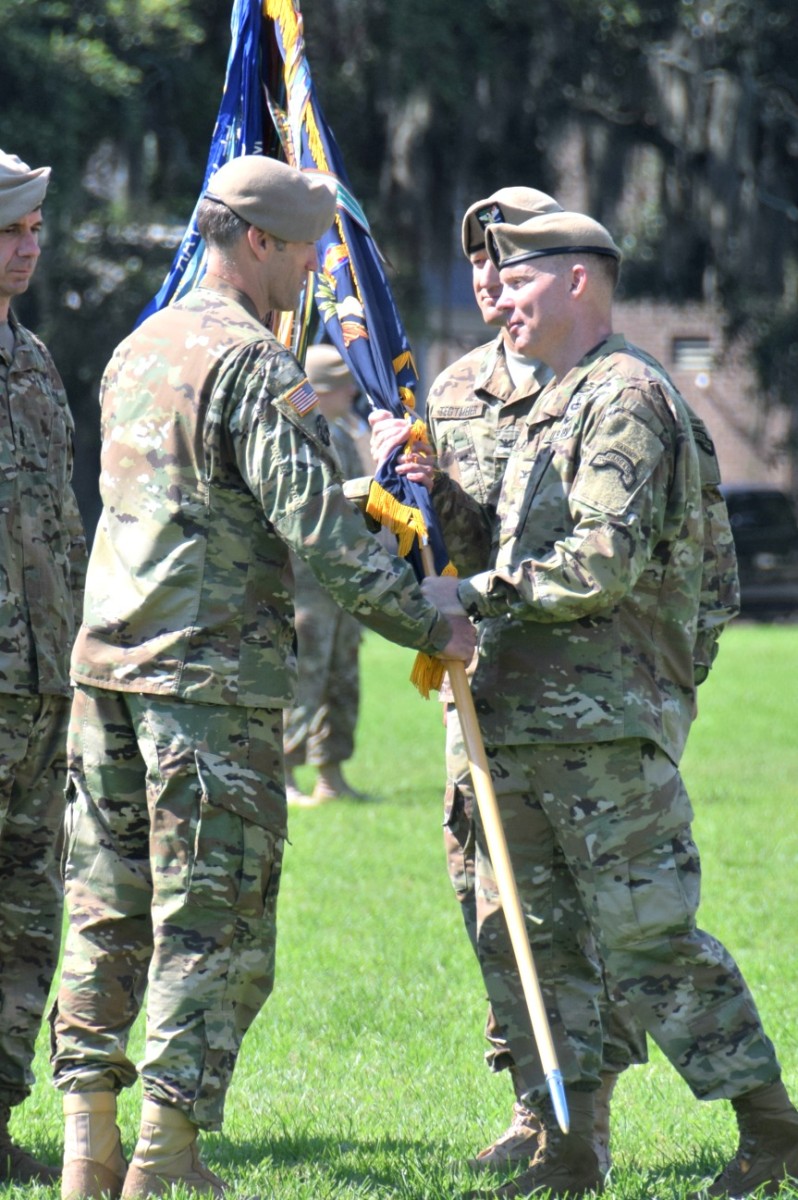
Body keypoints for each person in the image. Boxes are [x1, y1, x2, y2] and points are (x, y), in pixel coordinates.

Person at [49, 154, 474, 1200]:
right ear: (257, 244)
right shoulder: (254, 364)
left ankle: (86, 1150)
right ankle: (167, 1157)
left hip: (107, 674)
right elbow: (318, 537)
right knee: (215, 921)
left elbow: (202, 498)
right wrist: (433, 619)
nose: (317, 268)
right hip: (207, 685)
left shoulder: (136, 347)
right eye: (307, 249)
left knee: (106, 916)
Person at [420, 208, 798, 1198]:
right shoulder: (521, 395)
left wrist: (464, 596)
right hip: (507, 717)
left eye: (519, 276)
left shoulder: (626, 397)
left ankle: (772, 1125)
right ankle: (571, 1148)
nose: (498, 295)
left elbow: (597, 562)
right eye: (489, 277)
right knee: (535, 944)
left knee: (645, 938)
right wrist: (424, 497)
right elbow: (487, 542)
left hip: (603, 727)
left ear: (580, 279)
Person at [370, 187, 649, 1178]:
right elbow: (454, 544)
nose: (489, 279)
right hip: (483, 695)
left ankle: (586, 1121)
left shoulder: (600, 384)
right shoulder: (446, 393)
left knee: (577, 919)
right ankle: (537, 1105)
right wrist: (406, 488)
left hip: (584, 701)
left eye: (506, 261)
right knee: (491, 906)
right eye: (478, 262)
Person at [0, 149, 86, 1184]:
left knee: (27, 910)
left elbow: (63, 526)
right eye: (8, 232)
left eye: (32, 232)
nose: (26, 249)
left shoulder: (35, 363)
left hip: (42, 691)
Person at [283, 342, 372, 806]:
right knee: (303, 679)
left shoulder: (340, 432)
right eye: (342, 386)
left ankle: (330, 774)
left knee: (341, 676)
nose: (351, 393)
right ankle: (286, 775)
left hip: (343, 582)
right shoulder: (299, 435)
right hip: (308, 584)